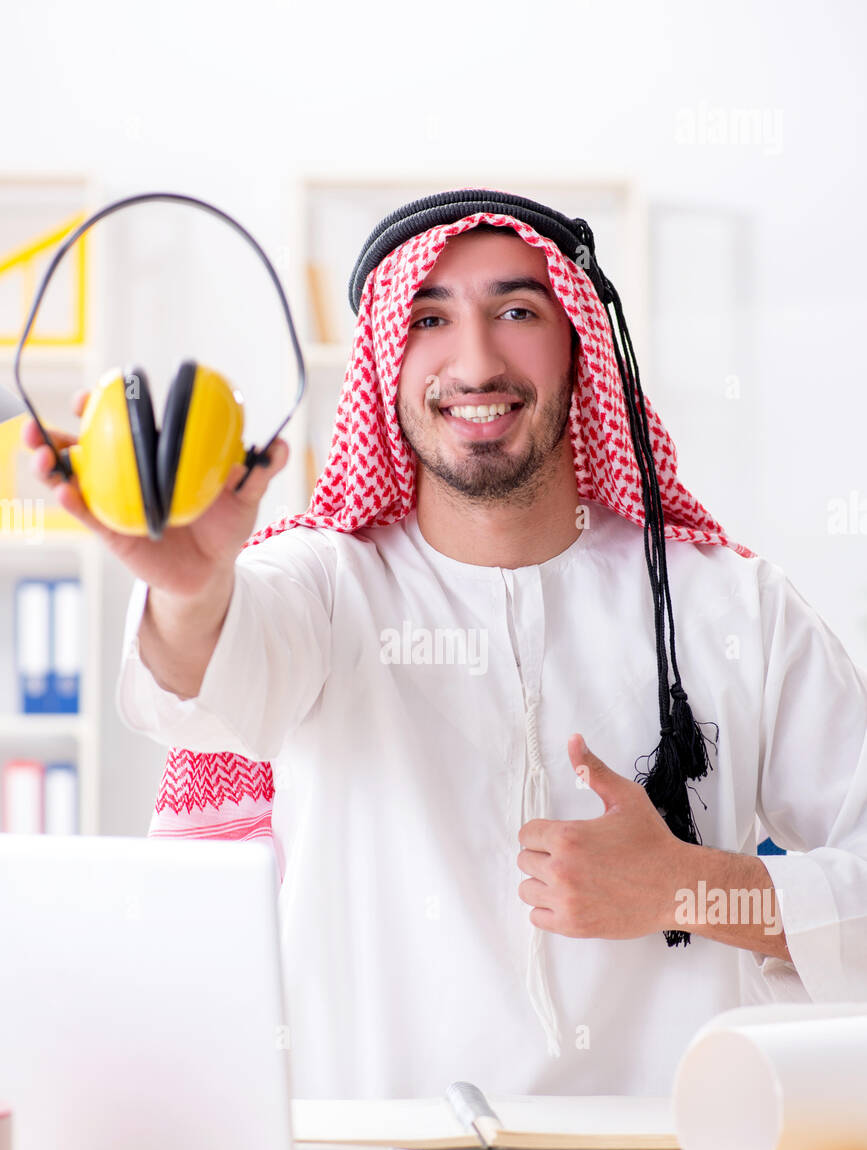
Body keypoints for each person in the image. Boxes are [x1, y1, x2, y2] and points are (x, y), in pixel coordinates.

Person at [23, 191, 867, 1100]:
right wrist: (188, 588)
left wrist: (689, 889)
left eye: (515, 310)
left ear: (578, 344)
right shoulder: (323, 588)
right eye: (429, 318)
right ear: (385, 358)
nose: (474, 361)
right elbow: (205, 679)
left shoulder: (734, 607)